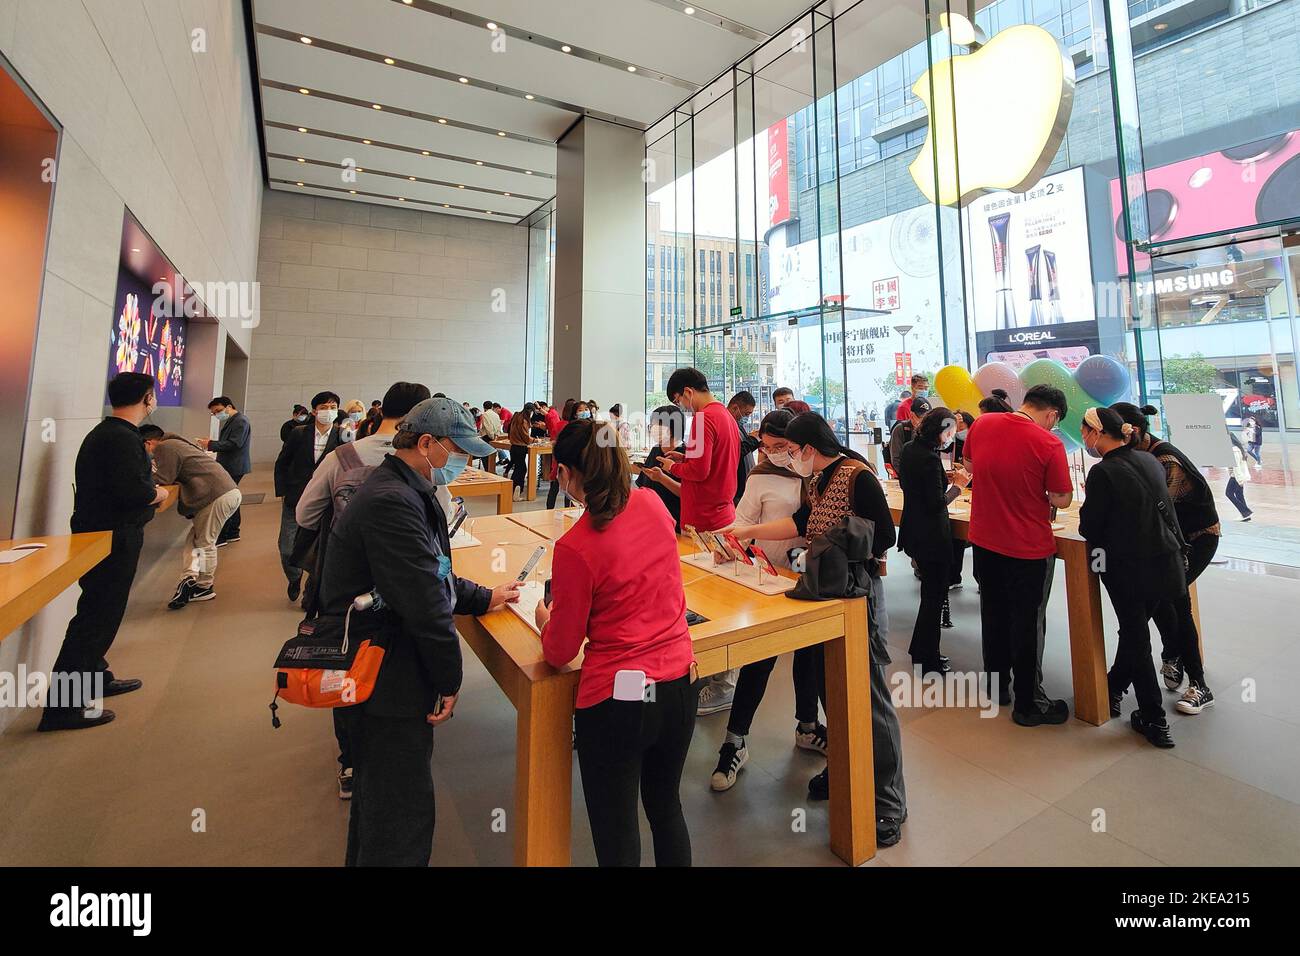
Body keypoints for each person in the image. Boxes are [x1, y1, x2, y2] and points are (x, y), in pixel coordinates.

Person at [319, 398, 519, 865]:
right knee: (400, 813)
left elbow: (435, 573)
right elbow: (427, 605)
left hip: (383, 660)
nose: (463, 461)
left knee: (381, 803)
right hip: (383, 672)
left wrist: (483, 596)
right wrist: (449, 680)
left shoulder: (406, 488)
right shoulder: (394, 500)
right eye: (457, 449)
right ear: (425, 443)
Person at [728, 412, 906, 847]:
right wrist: (747, 531)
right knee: (836, 691)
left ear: (809, 448)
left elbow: (884, 535)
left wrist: (837, 542)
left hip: (858, 592)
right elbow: (801, 523)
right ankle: (846, 770)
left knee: (869, 697)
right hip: (825, 591)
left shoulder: (856, 475)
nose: (787, 458)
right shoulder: (816, 480)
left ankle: (887, 801)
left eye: (791, 451)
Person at [535, 419, 696, 866]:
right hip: (679, 683)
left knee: (616, 829)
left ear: (565, 473)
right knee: (666, 808)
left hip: (618, 700)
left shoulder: (576, 547)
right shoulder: (652, 503)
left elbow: (560, 650)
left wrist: (545, 619)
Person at [296, 382, 431, 800]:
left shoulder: (344, 455)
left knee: (347, 669)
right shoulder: (422, 463)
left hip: (346, 593)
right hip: (405, 587)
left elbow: (305, 513)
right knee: (401, 668)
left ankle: (351, 762)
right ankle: (395, 758)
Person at [39, 372, 168, 732]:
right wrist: (158, 495)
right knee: (95, 619)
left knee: (102, 614)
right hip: (112, 537)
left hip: (109, 535)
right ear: (147, 398)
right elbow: (135, 492)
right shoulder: (120, 439)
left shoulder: (112, 434)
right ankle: (62, 706)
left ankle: (95, 675)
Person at [709, 409, 825, 793]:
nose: (774, 453)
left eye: (781, 447)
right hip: (770, 582)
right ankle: (734, 741)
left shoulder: (818, 472)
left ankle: (808, 726)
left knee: (810, 658)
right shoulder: (760, 478)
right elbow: (741, 524)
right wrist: (731, 543)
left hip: (810, 580)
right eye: (768, 446)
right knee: (759, 662)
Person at [962, 384, 1073, 724]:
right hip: (1027, 546)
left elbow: (968, 464)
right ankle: (1029, 702)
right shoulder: (1048, 442)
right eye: (1054, 422)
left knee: (993, 614)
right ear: (1052, 414)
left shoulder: (982, 424)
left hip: (984, 539)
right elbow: (1061, 498)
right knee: (1028, 623)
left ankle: (998, 687)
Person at [1078, 406, 1185, 749]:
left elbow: (1090, 526)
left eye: (1084, 431)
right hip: (1165, 560)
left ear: (1097, 433)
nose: (1083, 439)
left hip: (1128, 566)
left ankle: (1153, 717)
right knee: (1135, 631)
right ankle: (1113, 688)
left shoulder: (1103, 472)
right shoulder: (1148, 460)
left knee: (1136, 637)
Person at [1112, 402, 1219, 715]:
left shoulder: (1165, 459)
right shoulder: (1136, 455)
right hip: (1166, 543)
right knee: (1163, 602)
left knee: (1170, 602)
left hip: (1196, 539)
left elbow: (1156, 508)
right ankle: (1172, 654)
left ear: (1132, 432)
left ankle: (1198, 684)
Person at [658, 369, 740, 715]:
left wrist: (673, 467)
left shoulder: (704, 419)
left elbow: (701, 471)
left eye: (678, 401)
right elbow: (712, 464)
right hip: (720, 513)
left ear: (687, 392)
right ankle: (719, 675)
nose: (681, 407)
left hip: (707, 520)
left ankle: (723, 683)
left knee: (713, 605)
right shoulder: (723, 416)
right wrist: (683, 459)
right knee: (720, 600)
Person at [898, 407, 970, 675]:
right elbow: (935, 503)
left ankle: (922, 650)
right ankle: (927, 657)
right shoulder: (929, 458)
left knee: (931, 596)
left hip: (914, 531)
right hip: (932, 536)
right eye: (950, 432)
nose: (951, 437)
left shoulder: (910, 449)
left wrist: (944, 480)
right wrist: (958, 487)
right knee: (933, 598)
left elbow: (917, 487)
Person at [140, 427, 242, 610]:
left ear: (148, 442)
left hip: (216, 496)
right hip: (223, 493)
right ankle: (190, 578)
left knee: (204, 542)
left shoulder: (165, 447)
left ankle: (204, 586)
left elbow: (164, 478)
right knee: (195, 541)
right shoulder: (176, 443)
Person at [274, 391, 341, 602]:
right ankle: (294, 577)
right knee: (286, 547)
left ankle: (310, 592)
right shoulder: (300, 433)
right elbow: (282, 463)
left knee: (320, 549)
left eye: (333, 407)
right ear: (315, 410)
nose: (328, 412)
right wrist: (283, 491)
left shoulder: (342, 436)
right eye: (324, 407)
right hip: (296, 496)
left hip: (326, 499)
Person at [198, 396, 251, 546]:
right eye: (214, 413)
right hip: (232, 464)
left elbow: (234, 444)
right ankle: (233, 532)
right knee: (232, 499)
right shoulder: (233, 420)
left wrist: (211, 444)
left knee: (226, 500)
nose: (216, 415)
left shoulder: (240, 421)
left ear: (229, 406)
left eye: (218, 411)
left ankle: (223, 536)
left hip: (234, 465)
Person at [546, 400, 586, 509]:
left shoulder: (561, 424)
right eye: (580, 410)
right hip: (570, 461)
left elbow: (553, 440)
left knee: (554, 488)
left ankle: (549, 510)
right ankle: (568, 510)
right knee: (569, 489)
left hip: (560, 460)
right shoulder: (574, 427)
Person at [885, 396, 931, 480]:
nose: (925, 422)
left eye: (928, 418)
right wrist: (911, 478)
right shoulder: (900, 430)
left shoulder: (930, 430)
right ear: (912, 415)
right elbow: (896, 460)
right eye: (921, 418)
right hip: (905, 478)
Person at [727, 390, 760, 504]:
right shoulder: (727, 425)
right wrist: (753, 440)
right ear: (735, 408)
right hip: (736, 490)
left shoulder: (738, 424)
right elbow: (735, 452)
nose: (747, 418)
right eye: (746, 414)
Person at [506, 402, 536, 502]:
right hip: (520, 447)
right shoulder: (523, 420)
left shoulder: (516, 416)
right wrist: (535, 440)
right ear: (530, 411)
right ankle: (517, 492)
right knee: (521, 470)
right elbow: (525, 436)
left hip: (513, 446)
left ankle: (512, 491)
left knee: (518, 469)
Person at [1224, 431, 1253, 521]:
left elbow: (1236, 467)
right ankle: (1245, 515)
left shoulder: (1234, 451)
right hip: (1239, 476)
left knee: (1228, 493)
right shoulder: (1238, 449)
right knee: (1239, 495)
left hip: (1236, 476)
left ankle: (1245, 512)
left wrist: (1239, 480)